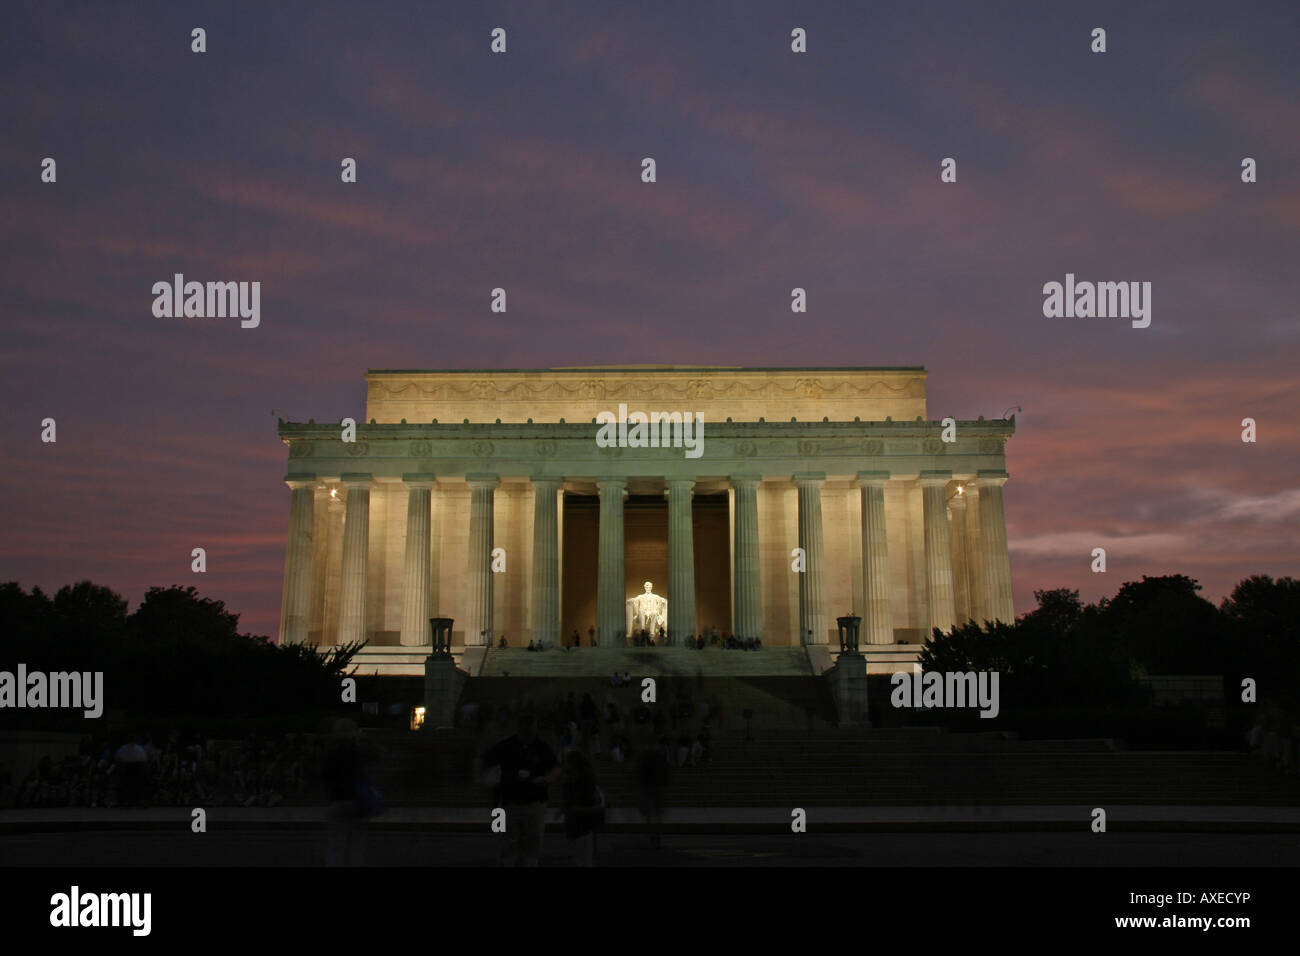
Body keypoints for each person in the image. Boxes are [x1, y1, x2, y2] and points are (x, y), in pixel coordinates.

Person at [475, 714, 559, 867]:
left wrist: (547, 779)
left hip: (534, 801)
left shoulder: (541, 746)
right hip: (511, 802)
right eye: (528, 731)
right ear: (520, 728)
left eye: (533, 730)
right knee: (510, 842)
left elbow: (555, 767)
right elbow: (483, 759)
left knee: (532, 841)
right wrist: (479, 778)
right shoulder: (507, 745)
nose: (531, 734)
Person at [561, 751, 604, 866]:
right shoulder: (570, 781)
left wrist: (575, 809)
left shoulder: (586, 782)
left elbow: (596, 805)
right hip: (575, 823)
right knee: (579, 858)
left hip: (584, 824)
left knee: (583, 858)